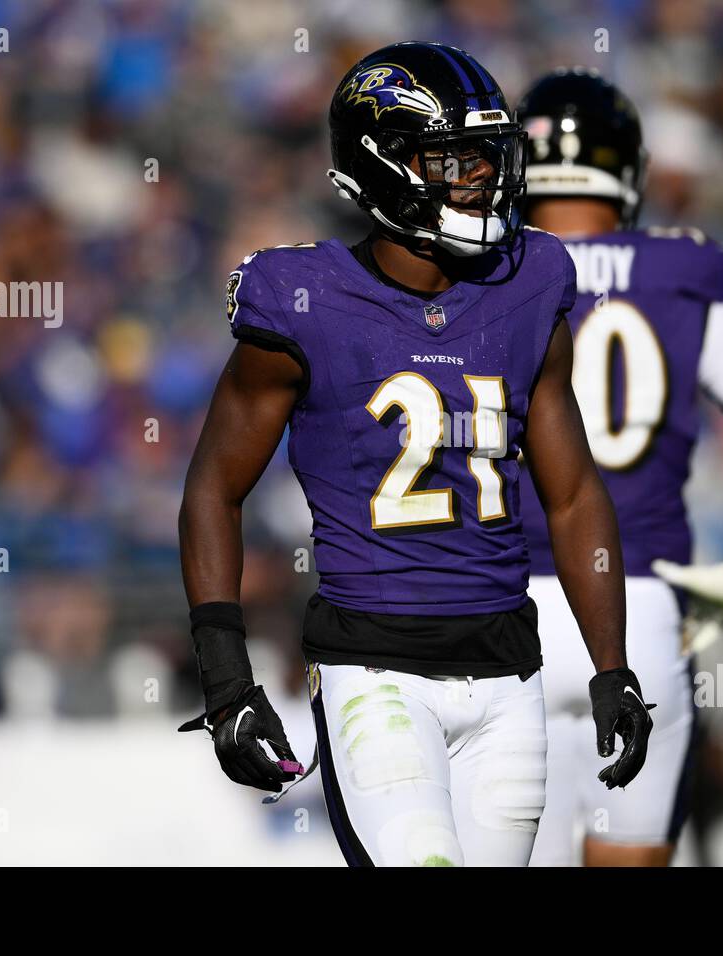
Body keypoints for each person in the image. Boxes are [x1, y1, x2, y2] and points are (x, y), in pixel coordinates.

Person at [178, 43, 652, 867]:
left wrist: (613, 665)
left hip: (509, 672)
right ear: (382, 165)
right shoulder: (303, 301)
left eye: (486, 155)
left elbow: (573, 495)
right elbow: (214, 490)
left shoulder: (531, 280)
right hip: (375, 670)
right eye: (451, 159)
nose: (480, 178)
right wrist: (227, 685)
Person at [515, 69, 723, 867]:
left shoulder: (481, 276)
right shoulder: (679, 276)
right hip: (638, 607)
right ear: (628, 171)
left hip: (498, 615)